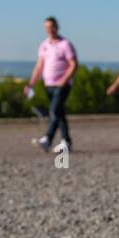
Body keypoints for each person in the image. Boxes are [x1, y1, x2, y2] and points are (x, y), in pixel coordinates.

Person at [28, 16, 77, 152]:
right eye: (47, 28)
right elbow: (39, 66)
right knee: (59, 114)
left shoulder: (65, 44)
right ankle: (66, 141)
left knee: (54, 110)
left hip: (62, 85)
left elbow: (74, 64)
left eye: (52, 27)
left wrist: (64, 80)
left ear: (57, 27)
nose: (50, 30)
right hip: (48, 85)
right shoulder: (44, 45)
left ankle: (47, 138)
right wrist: (31, 83)